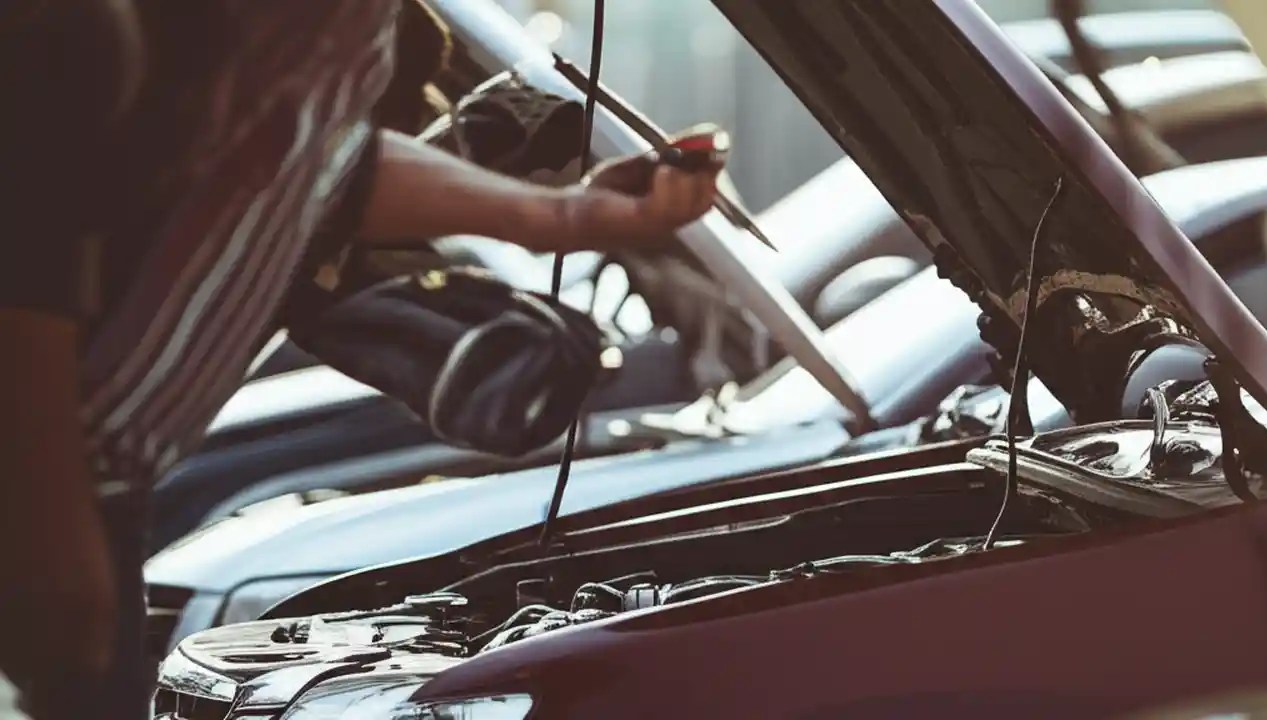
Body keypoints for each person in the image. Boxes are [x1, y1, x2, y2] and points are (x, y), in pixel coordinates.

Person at [0, 1, 724, 718]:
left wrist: (565, 218)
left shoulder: (361, 30)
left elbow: (317, 169)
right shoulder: (79, 28)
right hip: (45, 471)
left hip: (94, 491)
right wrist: (56, 524)